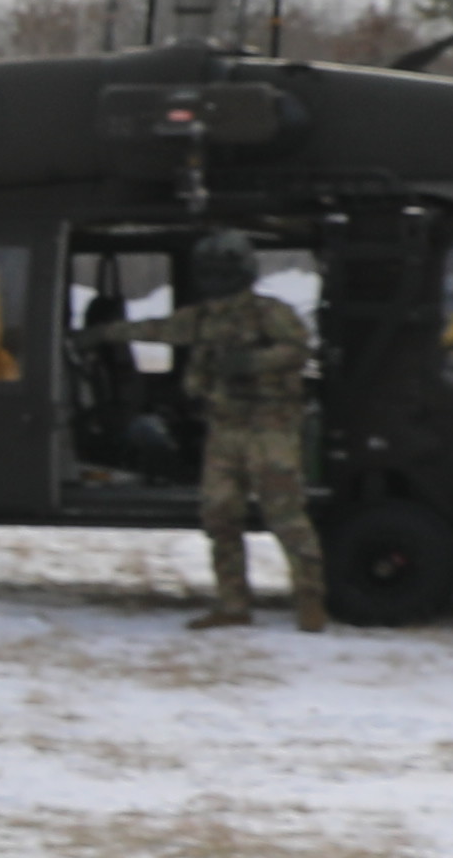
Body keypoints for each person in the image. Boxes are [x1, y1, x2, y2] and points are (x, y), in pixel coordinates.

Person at [134, 232, 329, 630]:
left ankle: (310, 599)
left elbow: (299, 348)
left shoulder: (269, 312)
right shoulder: (204, 317)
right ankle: (233, 602)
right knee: (220, 515)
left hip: (270, 428)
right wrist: (98, 333)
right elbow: (161, 329)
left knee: (285, 515)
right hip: (225, 428)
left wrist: (250, 363)